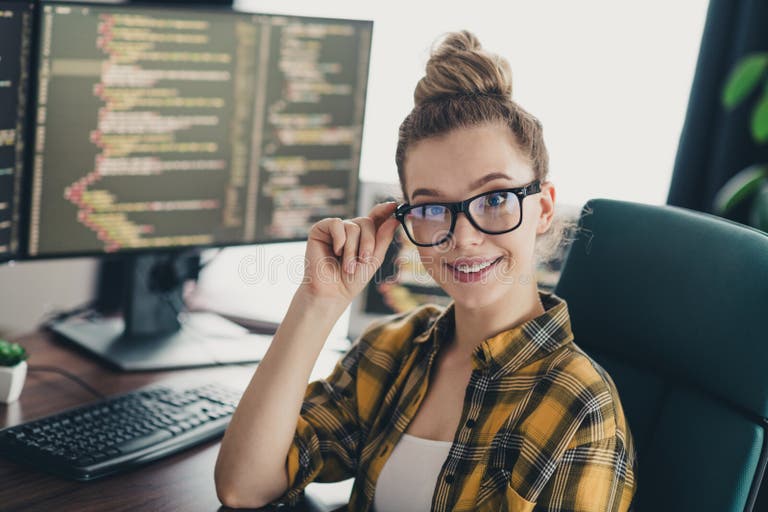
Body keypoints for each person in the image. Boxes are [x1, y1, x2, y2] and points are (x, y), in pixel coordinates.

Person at [214, 30, 637, 511]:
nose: (462, 237)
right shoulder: (391, 351)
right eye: (433, 208)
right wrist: (319, 302)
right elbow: (243, 486)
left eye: (495, 198)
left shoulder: (580, 407)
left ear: (543, 209)